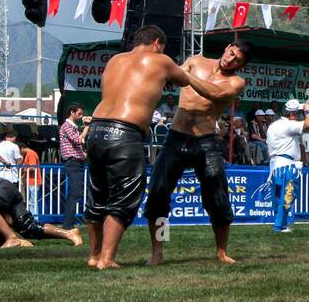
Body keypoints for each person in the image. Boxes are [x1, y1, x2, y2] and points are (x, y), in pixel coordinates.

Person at [84, 25, 222, 270]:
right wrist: (198, 75)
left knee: (99, 196)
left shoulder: (116, 59)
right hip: (157, 138)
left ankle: (222, 251)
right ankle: (135, 254)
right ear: (158, 43)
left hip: (98, 130)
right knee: (149, 198)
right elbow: (185, 79)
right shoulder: (162, 60)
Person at [145, 38, 249, 266]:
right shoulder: (196, 61)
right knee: (158, 193)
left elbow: (216, 95)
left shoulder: (236, 82)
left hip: (205, 141)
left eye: (237, 60)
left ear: (240, 66)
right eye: (231, 52)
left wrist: (186, 77)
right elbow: (170, 77)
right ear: (226, 47)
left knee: (217, 195)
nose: (231, 59)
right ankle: (158, 251)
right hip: (176, 138)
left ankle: (221, 251)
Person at [266, 99, 309, 233]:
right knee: (287, 196)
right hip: (287, 166)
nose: (298, 117)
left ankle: (280, 224)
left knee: (278, 198)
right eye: (297, 114)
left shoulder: (273, 125)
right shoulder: (288, 125)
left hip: (274, 166)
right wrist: (307, 110)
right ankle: (279, 226)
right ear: (291, 115)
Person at [58, 104, 87, 231]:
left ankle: (68, 223)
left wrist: (83, 154)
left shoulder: (72, 127)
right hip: (73, 162)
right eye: (79, 114)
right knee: (75, 193)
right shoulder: (67, 126)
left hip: (77, 161)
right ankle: (68, 224)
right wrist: (86, 127)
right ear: (72, 112)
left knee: (75, 193)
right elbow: (77, 140)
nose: (81, 116)